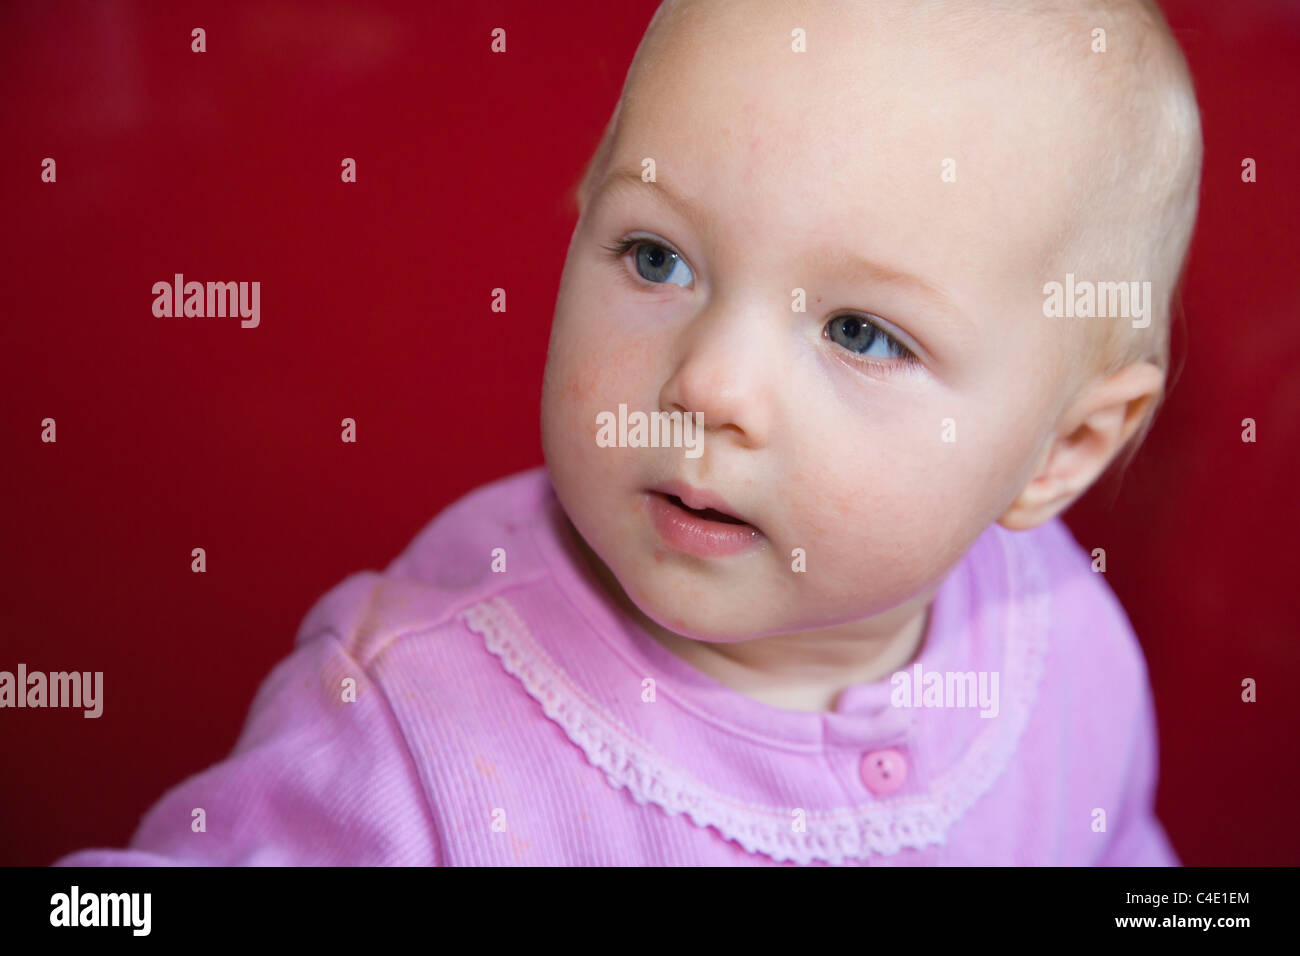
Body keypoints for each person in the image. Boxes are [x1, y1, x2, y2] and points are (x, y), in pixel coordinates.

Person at [55, 0, 1200, 866]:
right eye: (657, 258)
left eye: (860, 331)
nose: (711, 382)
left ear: (1062, 451)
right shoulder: (407, 740)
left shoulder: (1066, 638)